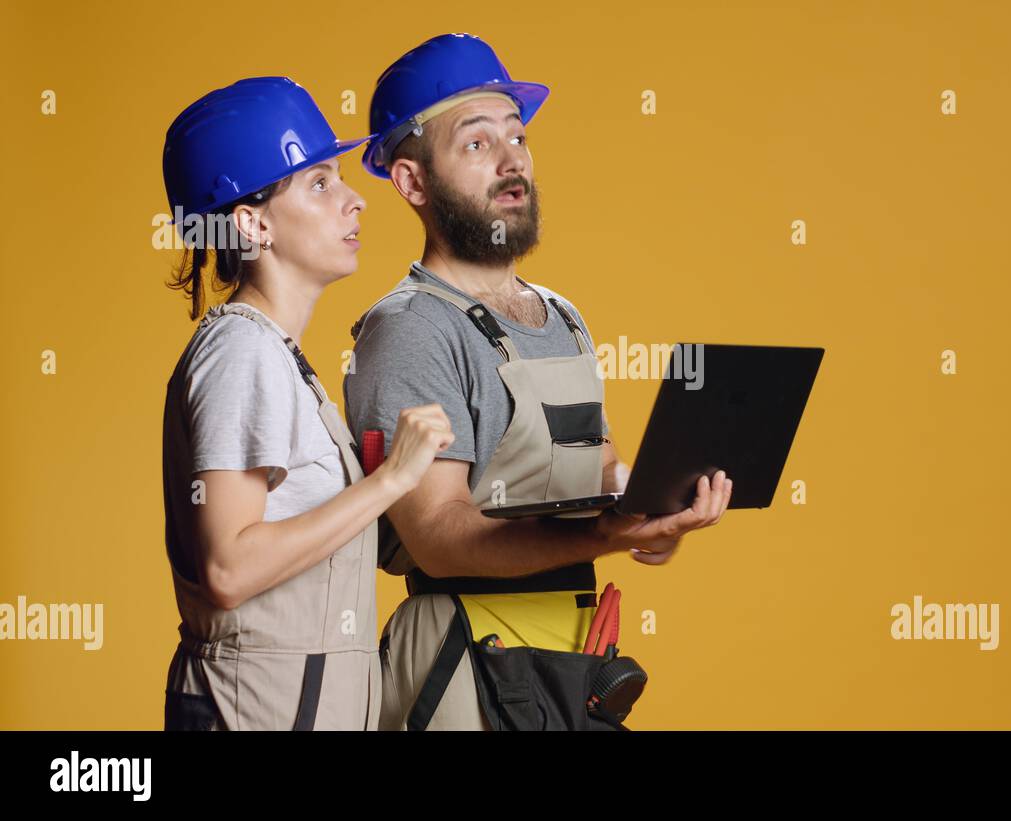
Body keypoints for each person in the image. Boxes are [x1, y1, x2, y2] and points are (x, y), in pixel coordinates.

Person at [346, 33, 732, 731]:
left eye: (517, 136)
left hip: (566, 653)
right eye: (476, 143)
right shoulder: (409, 330)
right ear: (412, 182)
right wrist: (608, 535)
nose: (511, 157)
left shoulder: (563, 315)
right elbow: (437, 534)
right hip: (461, 658)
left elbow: (602, 468)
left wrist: (654, 513)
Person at [159, 77, 454, 730]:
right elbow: (229, 567)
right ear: (252, 222)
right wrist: (391, 481)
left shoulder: (281, 357)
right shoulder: (242, 352)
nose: (355, 202)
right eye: (319, 183)